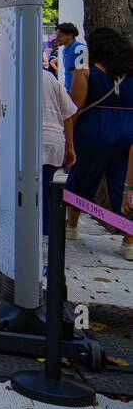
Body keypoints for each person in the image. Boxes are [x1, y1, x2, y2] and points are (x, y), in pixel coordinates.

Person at [0, 66, 75, 237]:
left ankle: (13, 234)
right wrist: (70, 147)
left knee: (9, 193)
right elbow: (67, 115)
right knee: (42, 192)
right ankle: (40, 234)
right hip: (49, 144)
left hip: (13, 146)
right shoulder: (49, 78)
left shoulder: (2, 76)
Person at [64, 27, 133, 259]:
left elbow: (75, 108)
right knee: (124, 183)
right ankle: (129, 241)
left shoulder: (85, 72)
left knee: (83, 175)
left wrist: (68, 141)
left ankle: (71, 227)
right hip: (127, 129)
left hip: (94, 129)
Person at [53, 23, 87, 93]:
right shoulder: (65, 50)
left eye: (60, 36)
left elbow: (83, 74)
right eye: (57, 36)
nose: (57, 38)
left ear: (70, 35)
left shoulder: (80, 49)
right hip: (69, 90)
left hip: (78, 92)